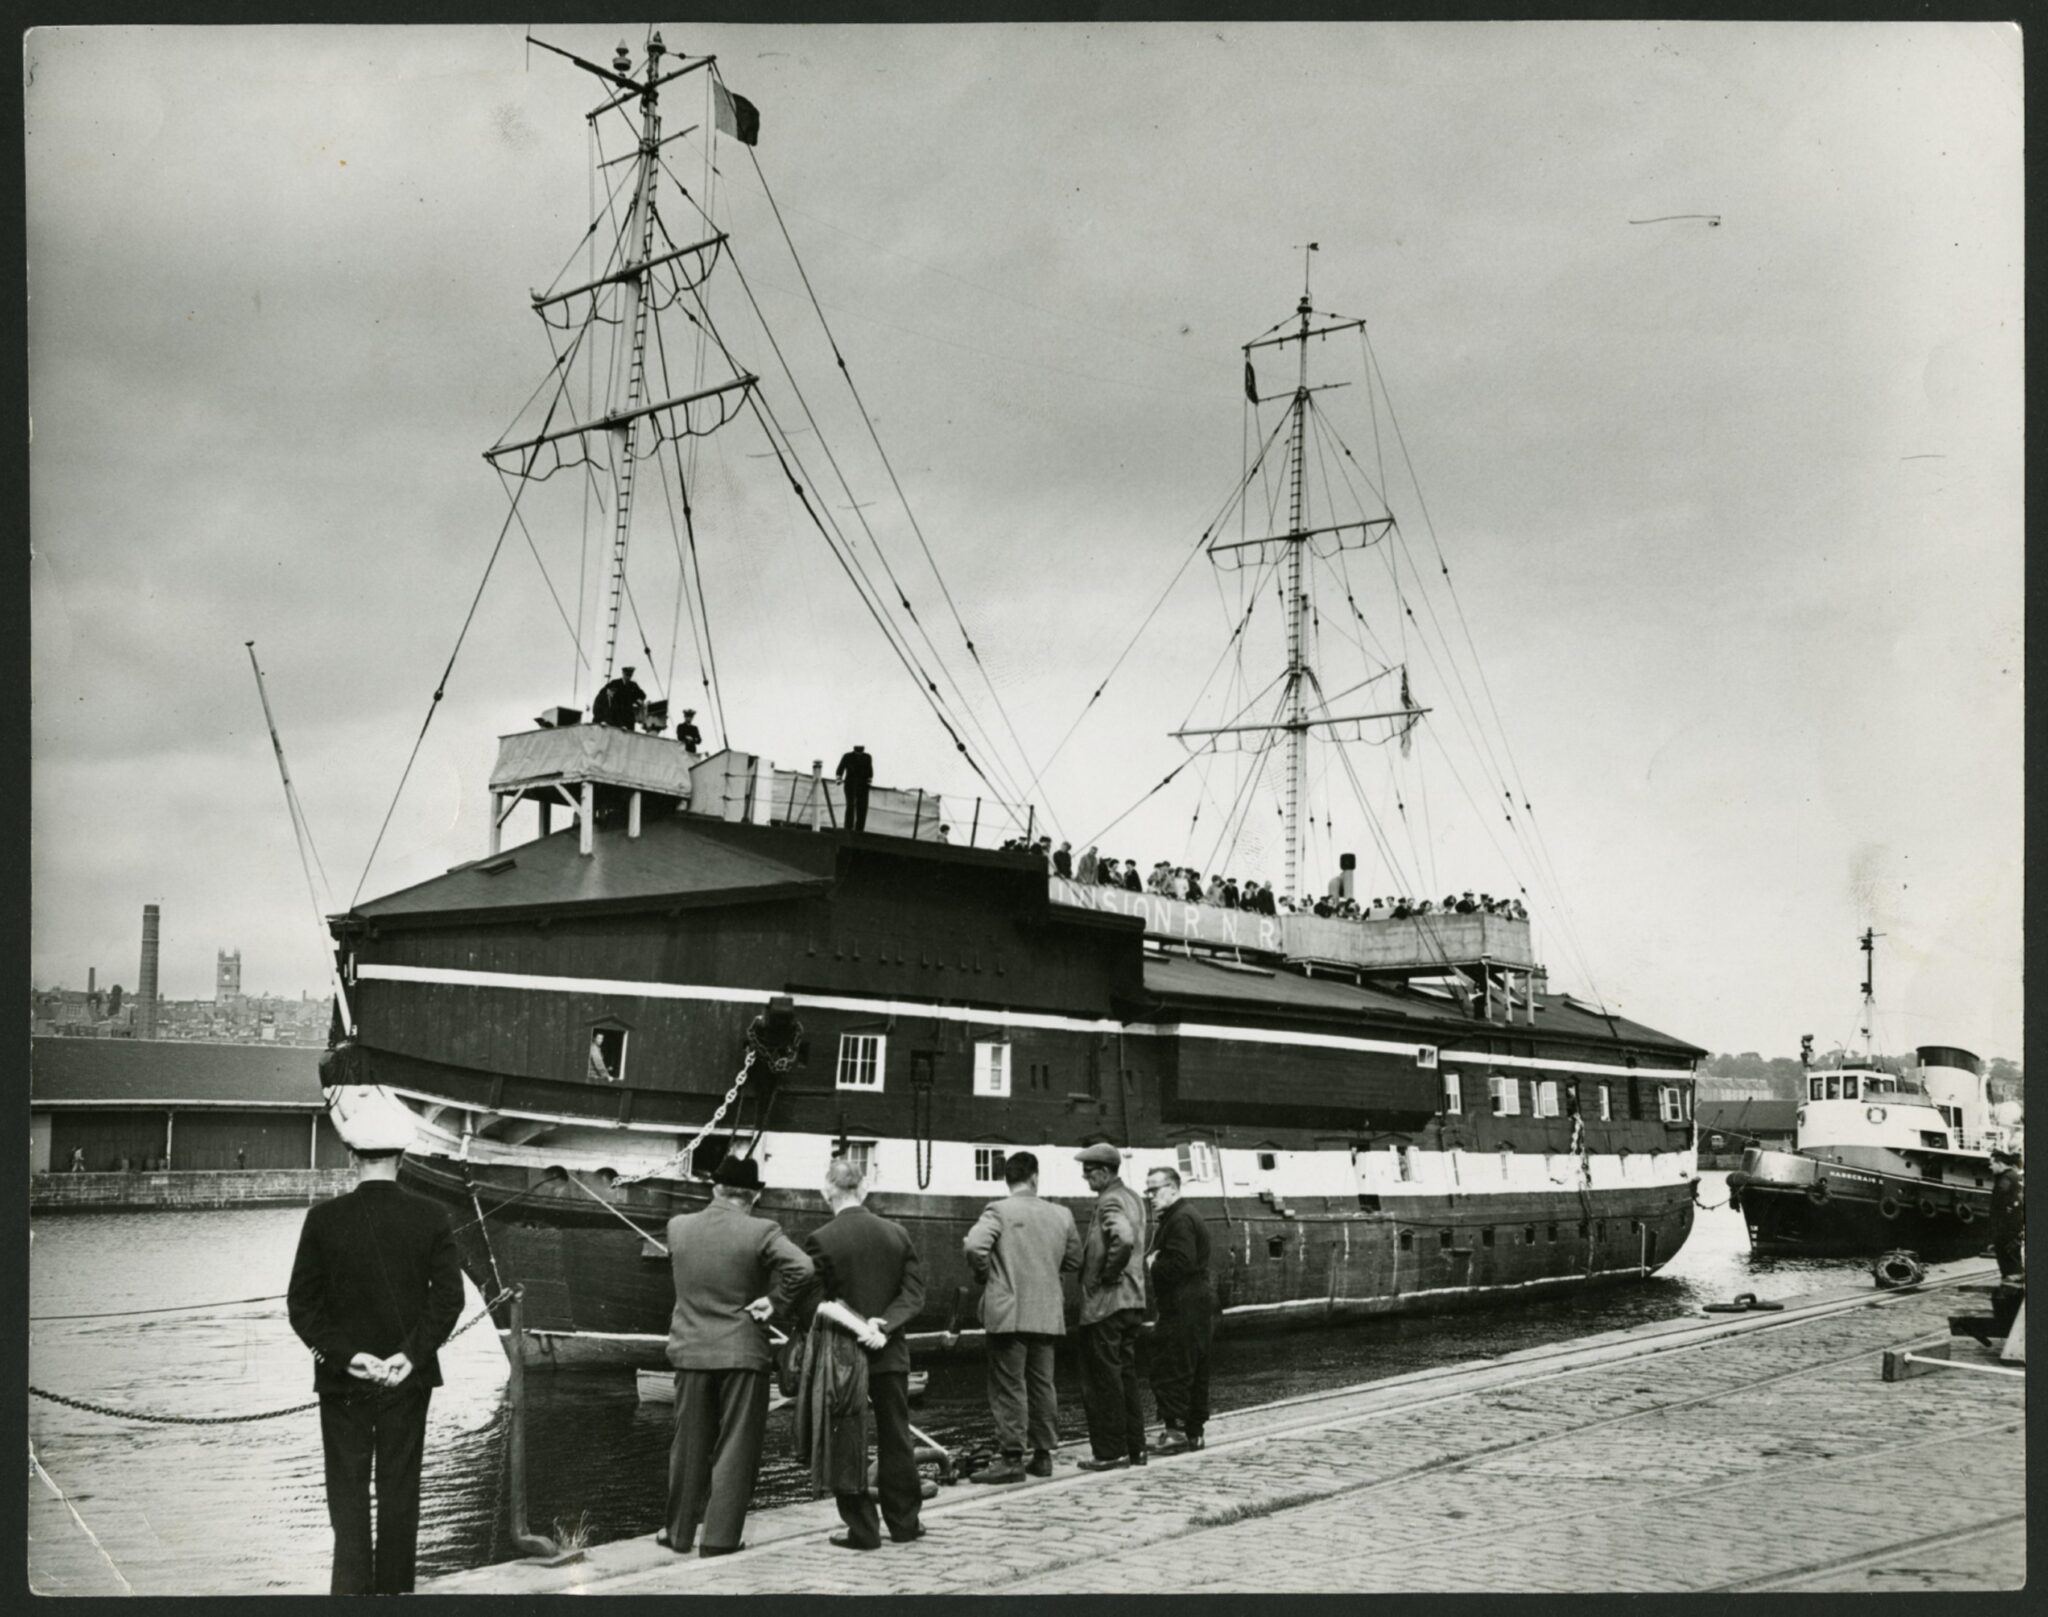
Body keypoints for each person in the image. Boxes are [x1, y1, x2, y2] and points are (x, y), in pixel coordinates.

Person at [287, 1106, 463, 1595]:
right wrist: (411, 1354)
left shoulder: (322, 1220)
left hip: (344, 1383)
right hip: (408, 1381)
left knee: (347, 1498)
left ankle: (348, 1597)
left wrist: (348, 1356)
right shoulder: (432, 1217)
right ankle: (395, 1596)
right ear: (402, 1157)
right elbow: (449, 1298)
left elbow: (302, 1306)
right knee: (399, 1493)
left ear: (351, 1155)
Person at [660, 1156, 814, 1558]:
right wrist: (774, 1301)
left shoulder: (678, 1227)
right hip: (743, 1351)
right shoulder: (761, 1230)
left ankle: (677, 1535)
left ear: (715, 1189)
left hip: (691, 1351)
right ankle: (719, 1539)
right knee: (736, 1447)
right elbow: (803, 1266)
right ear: (754, 1196)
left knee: (688, 1446)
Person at [798, 1157, 926, 1550]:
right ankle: (905, 1524)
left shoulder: (820, 1239)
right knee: (896, 1437)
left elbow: (814, 1304)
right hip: (889, 1351)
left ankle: (863, 1530)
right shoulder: (897, 1234)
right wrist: (882, 1326)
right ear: (865, 1189)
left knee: (847, 1439)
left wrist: (859, 1329)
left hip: (843, 1358)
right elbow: (915, 1294)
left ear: (827, 1191)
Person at [961, 1151, 1082, 1483]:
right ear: (1035, 1178)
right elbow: (1074, 1260)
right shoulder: (1062, 1215)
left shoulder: (998, 1210)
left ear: (1008, 1180)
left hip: (1008, 1311)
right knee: (1043, 1383)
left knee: (1008, 1385)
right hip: (1046, 1312)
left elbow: (974, 1247)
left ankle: (1012, 1458)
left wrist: (988, 1275)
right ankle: (1043, 1456)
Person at [1073, 1142, 1148, 1472]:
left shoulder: (1110, 1200)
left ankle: (1110, 1452)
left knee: (1103, 1380)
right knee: (1126, 1376)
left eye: (1089, 1173)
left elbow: (1124, 1238)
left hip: (1107, 1305)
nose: (1085, 1178)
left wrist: (1107, 1274)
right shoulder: (1134, 1197)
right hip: (1133, 1301)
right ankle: (1136, 1449)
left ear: (1104, 1172)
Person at [1143, 1166, 1214, 1454]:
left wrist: (1153, 1264)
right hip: (1196, 1303)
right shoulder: (1184, 1215)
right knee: (1194, 1367)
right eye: (1147, 1190)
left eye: (1155, 1189)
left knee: (1171, 1367)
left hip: (1182, 1304)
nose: (1150, 1196)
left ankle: (1175, 1434)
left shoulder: (1180, 1220)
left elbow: (1181, 1263)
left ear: (1173, 1188)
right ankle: (1193, 1433)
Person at [1989, 1149, 2024, 1281]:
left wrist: (2001, 1228)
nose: (1990, 1166)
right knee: (2009, 1258)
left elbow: (2005, 1203)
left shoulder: (2007, 1179)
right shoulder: (2011, 1176)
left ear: (2000, 1163)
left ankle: (2012, 1287)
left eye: (1992, 1163)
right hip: (2009, 1226)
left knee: (2008, 1259)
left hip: (2007, 1228)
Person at [835, 745, 875, 833]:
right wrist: (839, 778)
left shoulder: (867, 757)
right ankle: (848, 828)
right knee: (850, 805)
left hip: (863, 786)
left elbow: (870, 771)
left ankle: (859, 830)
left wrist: (869, 782)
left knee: (862, 807)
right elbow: (840, 768)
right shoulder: (847, 756)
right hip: (850, 784)